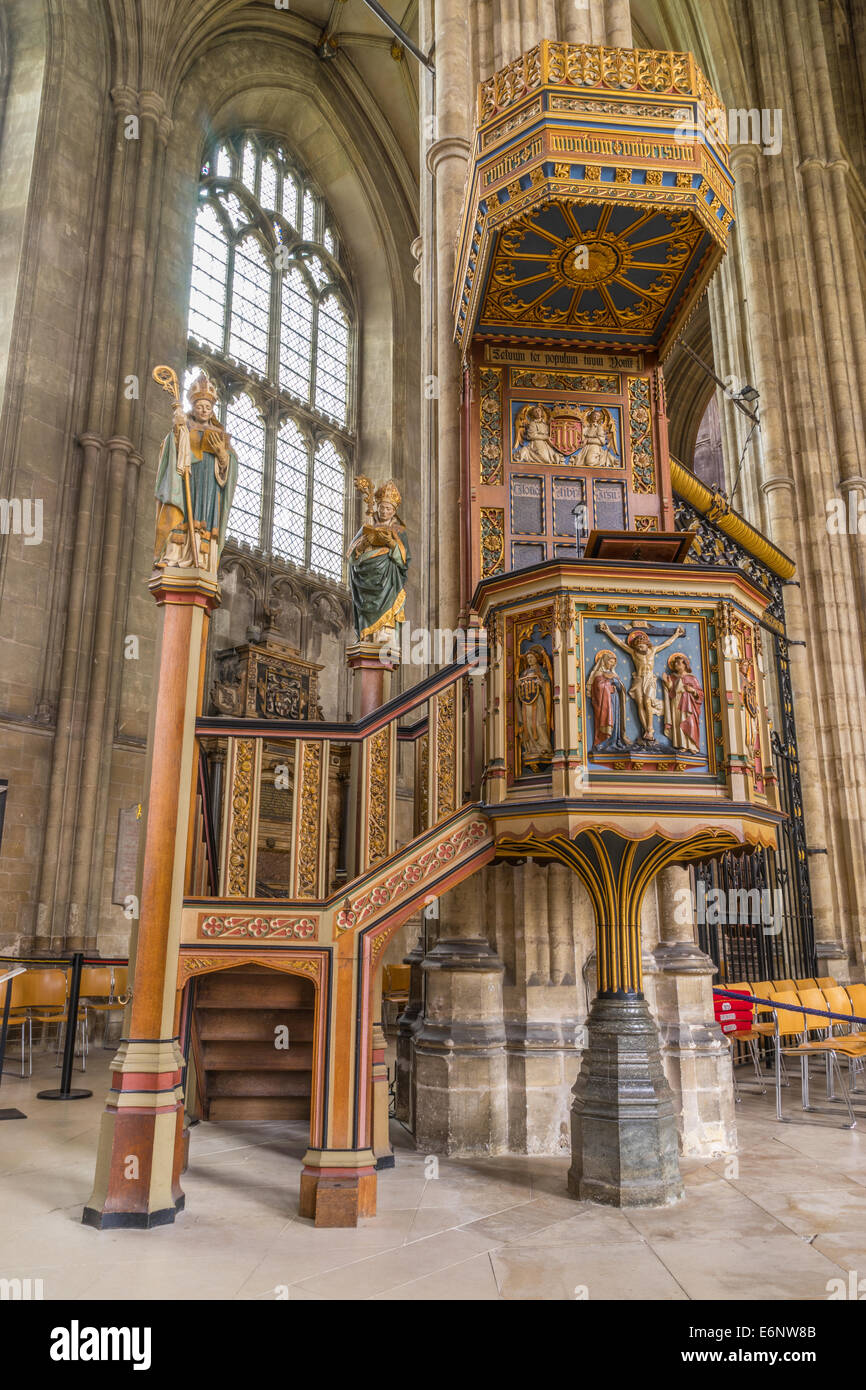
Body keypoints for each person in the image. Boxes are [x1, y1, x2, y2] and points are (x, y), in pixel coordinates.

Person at [154, 372, 238, 573]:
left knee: (206, 521)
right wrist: (178, 431)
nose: (204, 410)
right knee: (181, 514)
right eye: (200, 406)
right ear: (193, 407)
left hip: (209, 485)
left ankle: (202, 557)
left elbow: (231, 467)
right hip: (188, 479)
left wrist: (222, 456)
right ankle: (176, 555)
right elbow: (169, 452)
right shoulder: (184, 427)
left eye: (208, 407)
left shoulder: (219, 433)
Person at [598, 622, 685, 746]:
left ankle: (650, 729)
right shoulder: (634, 653)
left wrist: (676, 634)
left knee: (647, 703)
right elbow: (619, 643)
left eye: (641, 645)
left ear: (646, 644)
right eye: (637, 646)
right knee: (639, 704)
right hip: (638, 679)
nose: (639, 648)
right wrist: (608, 631)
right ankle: (646, 731)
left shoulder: (653, 650)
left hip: (649, 679)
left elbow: (667, 643)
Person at [347, 480, 410, 639]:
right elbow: (352, 556)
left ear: (394, 511)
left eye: (388, 508)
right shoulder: (367, 527)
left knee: (385, 633)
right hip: (366, 582)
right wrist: (362, 546)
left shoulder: (399, 531)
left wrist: (392, 545)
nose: (383, 511)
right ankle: (366, 635)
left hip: (388, 582)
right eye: (381, 507)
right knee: (367, 635)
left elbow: (404, 560)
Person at [516, 644, 553, 770]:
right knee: (528, 725)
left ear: (537, 658)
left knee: (538, 724)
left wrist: (541, 683)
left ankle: (544, 748)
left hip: (538, 702)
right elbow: (519, 689)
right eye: (528, 658)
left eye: (532, 657)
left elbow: (547, 684)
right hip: (527, 704)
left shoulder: (541, 671)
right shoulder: (524, 672)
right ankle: (531, 748)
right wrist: (518, 685)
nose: (530, 660)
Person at [586, 649, 631, 753]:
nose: (612, 664)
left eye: (613, 662)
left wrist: (617, 683)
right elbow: (598, 687)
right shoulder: (598, 673)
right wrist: (609, 682)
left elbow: (621, 688)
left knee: (615, 721)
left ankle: (615, 741)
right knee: (606, 719)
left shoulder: (613, 674)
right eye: (610, 661)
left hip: (614, 700)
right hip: (604, 702)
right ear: (604, 661)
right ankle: (604, 742)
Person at [662, 652, 705, 753]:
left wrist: (693, 690)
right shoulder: (673, 677)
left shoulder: (692, 678)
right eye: (675, 663)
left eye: (678, 663)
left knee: (689, 722)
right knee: (678, 724)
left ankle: (692, 745)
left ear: (685, 665)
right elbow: (671, 692)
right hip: (676, 703)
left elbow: (700, 694)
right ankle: (682, 745)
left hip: (689, 705)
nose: (676, 665)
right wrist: (667, 684)